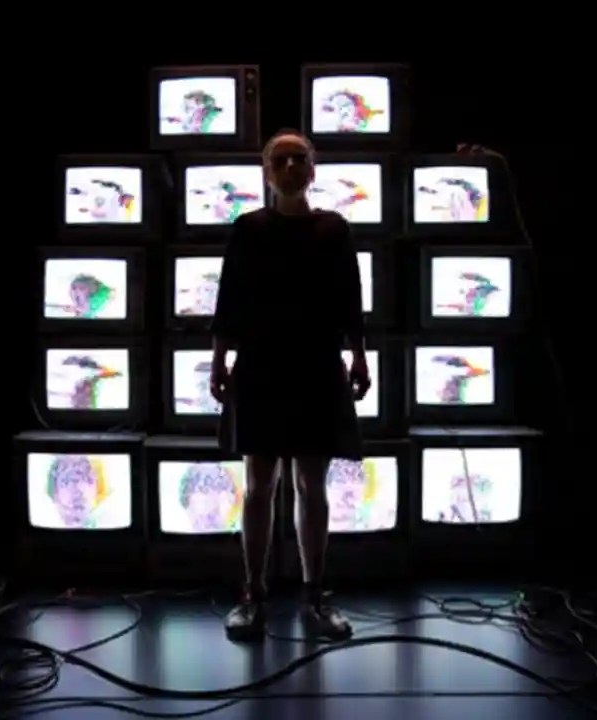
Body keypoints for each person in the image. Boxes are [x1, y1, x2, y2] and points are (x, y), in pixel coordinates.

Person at [209, 128, 371, 641]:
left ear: (313, 169)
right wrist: (218, 360)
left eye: (300, 159)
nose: (291, 167)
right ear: (267, 171)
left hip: (318, 365)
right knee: (259, 487)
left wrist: (360, 357)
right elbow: (228, 299)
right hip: (259, 365)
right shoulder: (248, 229)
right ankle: (252, 596)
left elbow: (351, 299)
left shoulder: (335, 228)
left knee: (312, 486)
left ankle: (315, 595)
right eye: (281, 160)